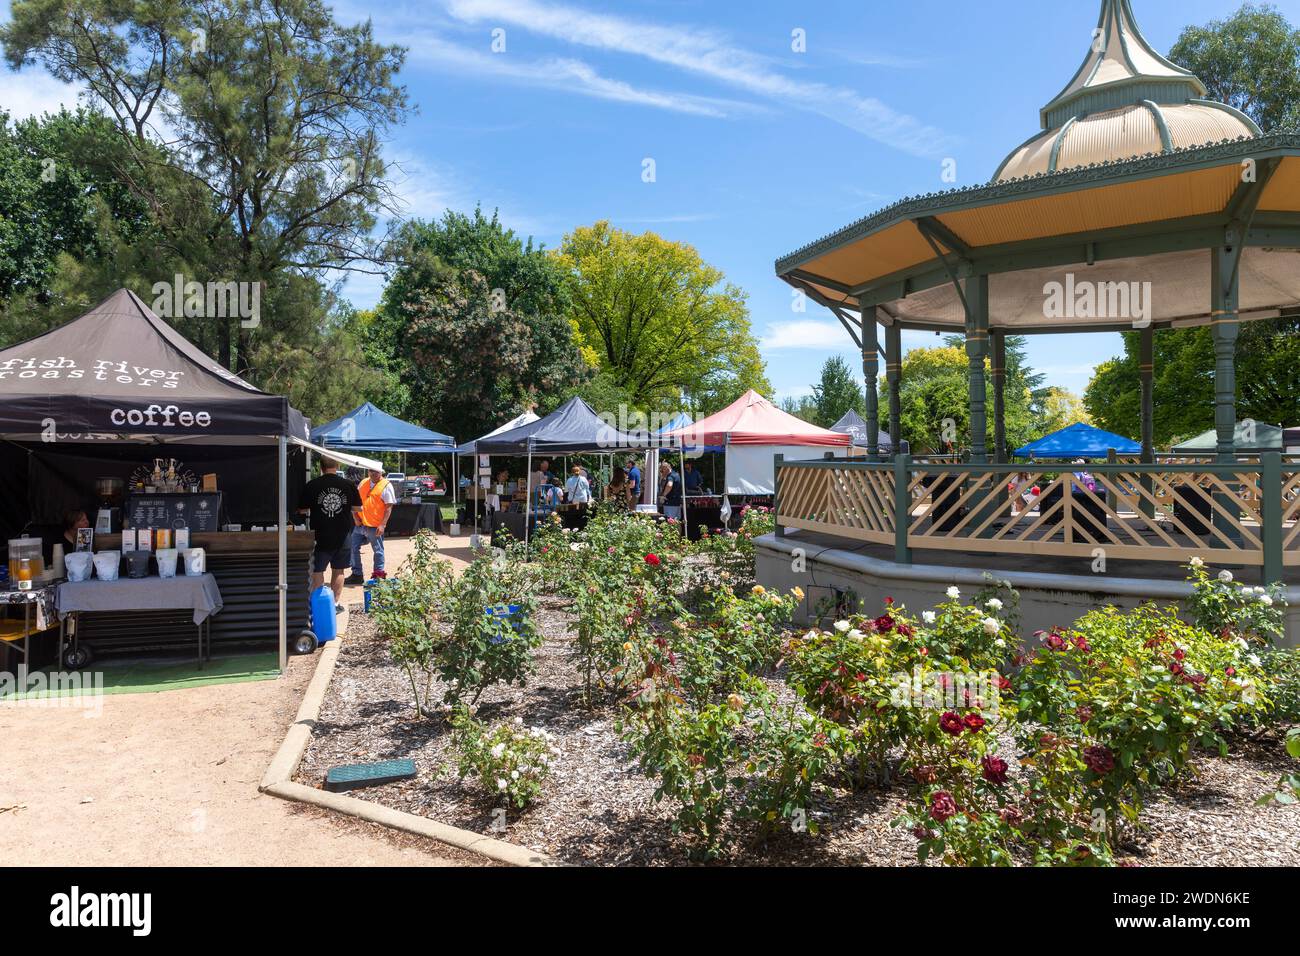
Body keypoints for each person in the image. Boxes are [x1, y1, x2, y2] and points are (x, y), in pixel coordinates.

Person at [298, 459, 363, 610]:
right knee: (339, 569)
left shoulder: (312, 485)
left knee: (318, 570)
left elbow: (302, 509)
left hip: (320, 534)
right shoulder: (348, 485)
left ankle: (319, 605)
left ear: (321, 467)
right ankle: (334, 604)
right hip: (343, 534)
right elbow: (358, 508)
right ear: (338, 466)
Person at [346, 467, 395, 584]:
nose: (373, 473)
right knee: (353, 548)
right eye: (370, 471)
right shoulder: (363, 482)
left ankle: (378, 576)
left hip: (375, 526)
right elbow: (355, 500)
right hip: (360, 524)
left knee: (378, 551)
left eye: (376, 471)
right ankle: (357, 574)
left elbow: (389, 507)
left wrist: (383, 525)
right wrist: (355, 517)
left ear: (381, 472)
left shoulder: (386, 485)